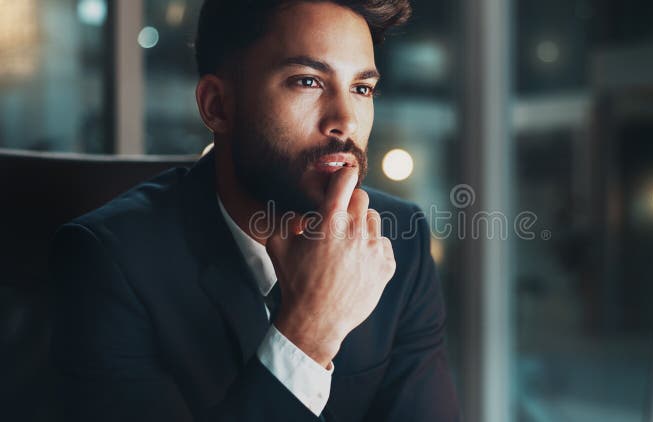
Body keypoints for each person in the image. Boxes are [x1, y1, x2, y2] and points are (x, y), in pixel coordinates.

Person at [49, 1, 460, 420]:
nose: (346, 121)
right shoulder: (108, 263)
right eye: (308, 81)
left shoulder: (397, 239)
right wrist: (307, 335)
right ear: (217, 106)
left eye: (362, 88)